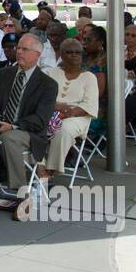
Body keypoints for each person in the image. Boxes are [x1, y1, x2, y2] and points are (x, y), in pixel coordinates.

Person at [0, 35, 59, 220]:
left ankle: (22, 195)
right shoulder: (4, 74)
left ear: (37, 54)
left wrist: (13, 125)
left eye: (24, 49)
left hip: (28, 132)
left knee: (9, 137)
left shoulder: (48, 84)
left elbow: (40, 120)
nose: (18, 51)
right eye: (18, 48)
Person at [43, 39, 98, 178]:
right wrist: (56, 108)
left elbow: (89, 105)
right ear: (61, 54)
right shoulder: (52, 73)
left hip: (78, 117)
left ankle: (50, 171)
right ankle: (38, 165)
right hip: (50, 111)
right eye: (69, 52)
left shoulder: (89, 77)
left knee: (62, 129)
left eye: (77, 52)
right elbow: (43, 97)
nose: (74, 55)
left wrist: (67, 114)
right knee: (31, 126)